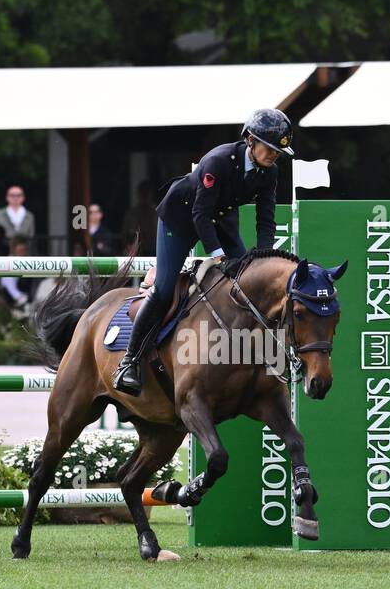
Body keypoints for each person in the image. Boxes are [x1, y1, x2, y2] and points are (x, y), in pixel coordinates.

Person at [112, 107, 292, 396]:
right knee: (164, 287)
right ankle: (130, 361)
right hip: (182, 219)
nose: (273, 156)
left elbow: (265, 219)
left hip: (220, 221)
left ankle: (250, 359)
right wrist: (220, 258)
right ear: (249, 140)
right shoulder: (217, 161)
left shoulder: (269, 172)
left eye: (277, 151)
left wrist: (265, 258)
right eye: (269, 148)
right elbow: (200, 215)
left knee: (248, 283)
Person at [121, 180, 159, 256]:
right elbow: (125, 234)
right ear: (138, 194)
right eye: (142, 193)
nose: (145, 195)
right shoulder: (131, 214)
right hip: (136, 252)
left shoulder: (159, 212)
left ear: (151, 194)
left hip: (156, 251)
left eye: (147, 193)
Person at [0, 185, 35, 250]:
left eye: (18, 195)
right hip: (3, 251)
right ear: (7, 197)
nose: (15, 198)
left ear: (23, 197)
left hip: (23, 251)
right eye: (12, 195)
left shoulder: (29, 215)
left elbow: (31, 236)